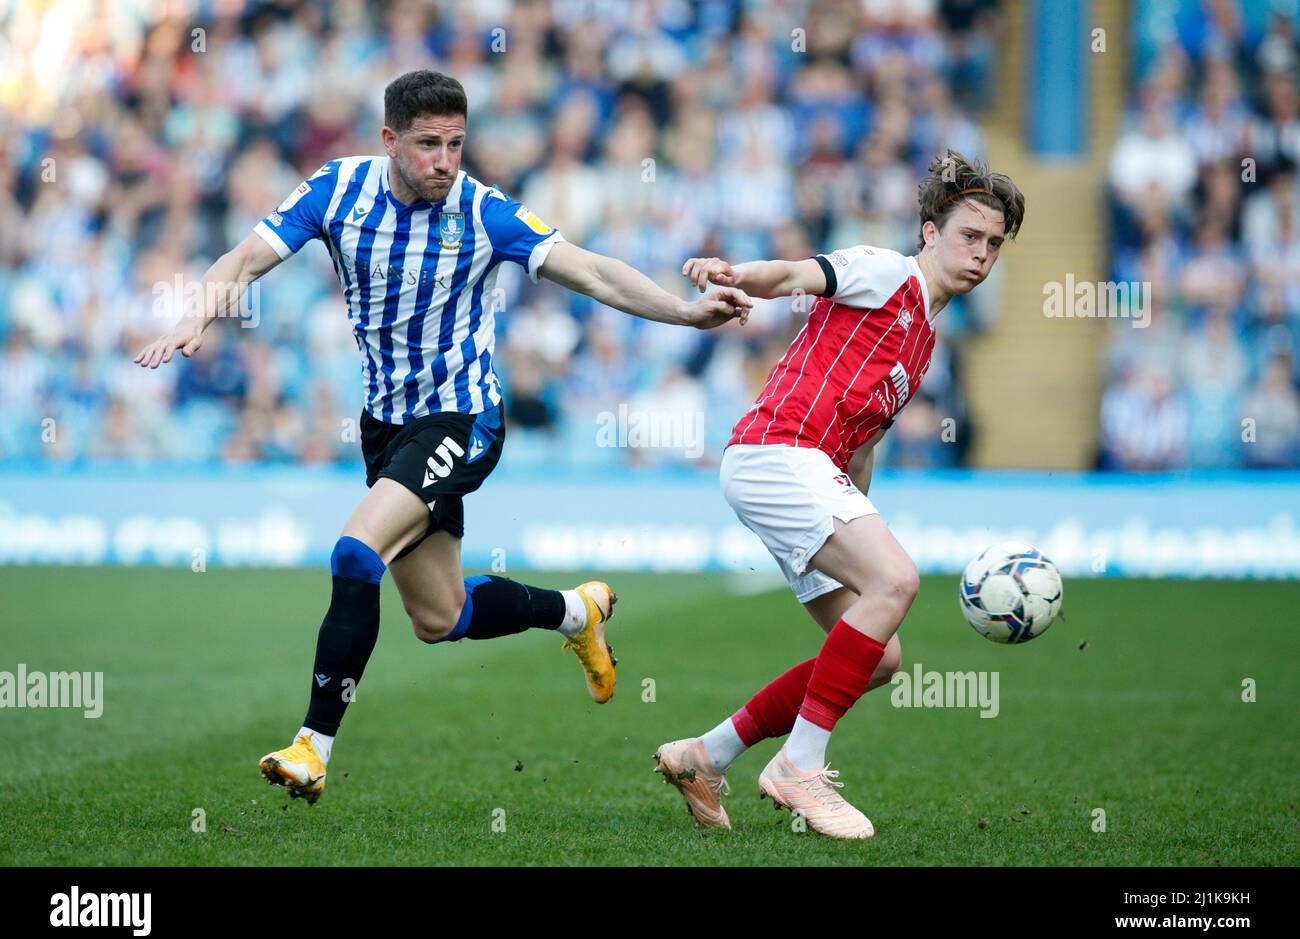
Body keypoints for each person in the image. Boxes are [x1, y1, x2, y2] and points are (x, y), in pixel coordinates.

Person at [134, 70, 750, 805]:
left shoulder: (483, 212)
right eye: (428, 145)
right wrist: (195, 313)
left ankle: (313, 747)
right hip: (387, 427)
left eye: (456, 144)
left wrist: (685, 312)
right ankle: (576, 612)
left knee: (355, 552)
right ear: (390, 140)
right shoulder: (336, 191)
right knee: (440, 617)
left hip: (464, 418)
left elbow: (591, 271)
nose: (445, 161)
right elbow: (242, 259)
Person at [656, 149, 1024, 838]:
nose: (981, 253)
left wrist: (861, 518)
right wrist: (739, 275)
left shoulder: (923, 340)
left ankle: (705, 753)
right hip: (778, 452)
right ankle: (799, 766)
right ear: (928, 232)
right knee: (898, 581)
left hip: (807, 474)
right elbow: (800, 273)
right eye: (969, 235)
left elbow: (860, 451)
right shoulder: (886, 273)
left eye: (994, 244)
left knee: (880, 655)